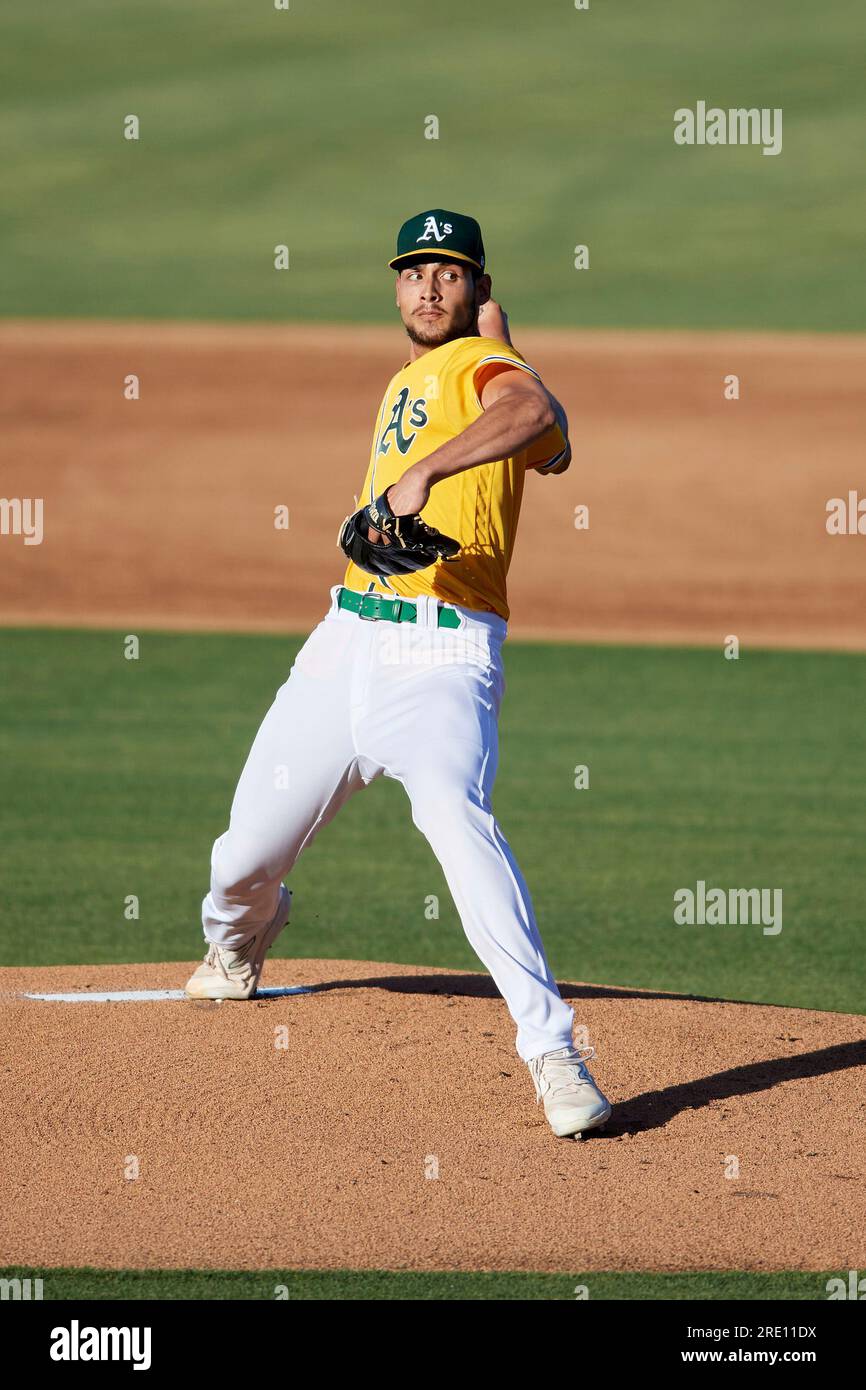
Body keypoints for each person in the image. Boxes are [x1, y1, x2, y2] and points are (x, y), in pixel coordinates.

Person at [186, 209, 612, 1138]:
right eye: (414, 270)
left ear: (477, 289)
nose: (427, 285)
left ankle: (552, 1051)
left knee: (456, 821)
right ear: (396, 286)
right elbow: (556, 445)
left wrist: (421, 471)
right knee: (239, 862)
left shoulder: (482, 369)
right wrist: (501, 342)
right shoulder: (419, 374)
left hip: (442, 653)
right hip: (342, 645)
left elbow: (541, 419)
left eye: (449, 272)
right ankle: (240, 940)